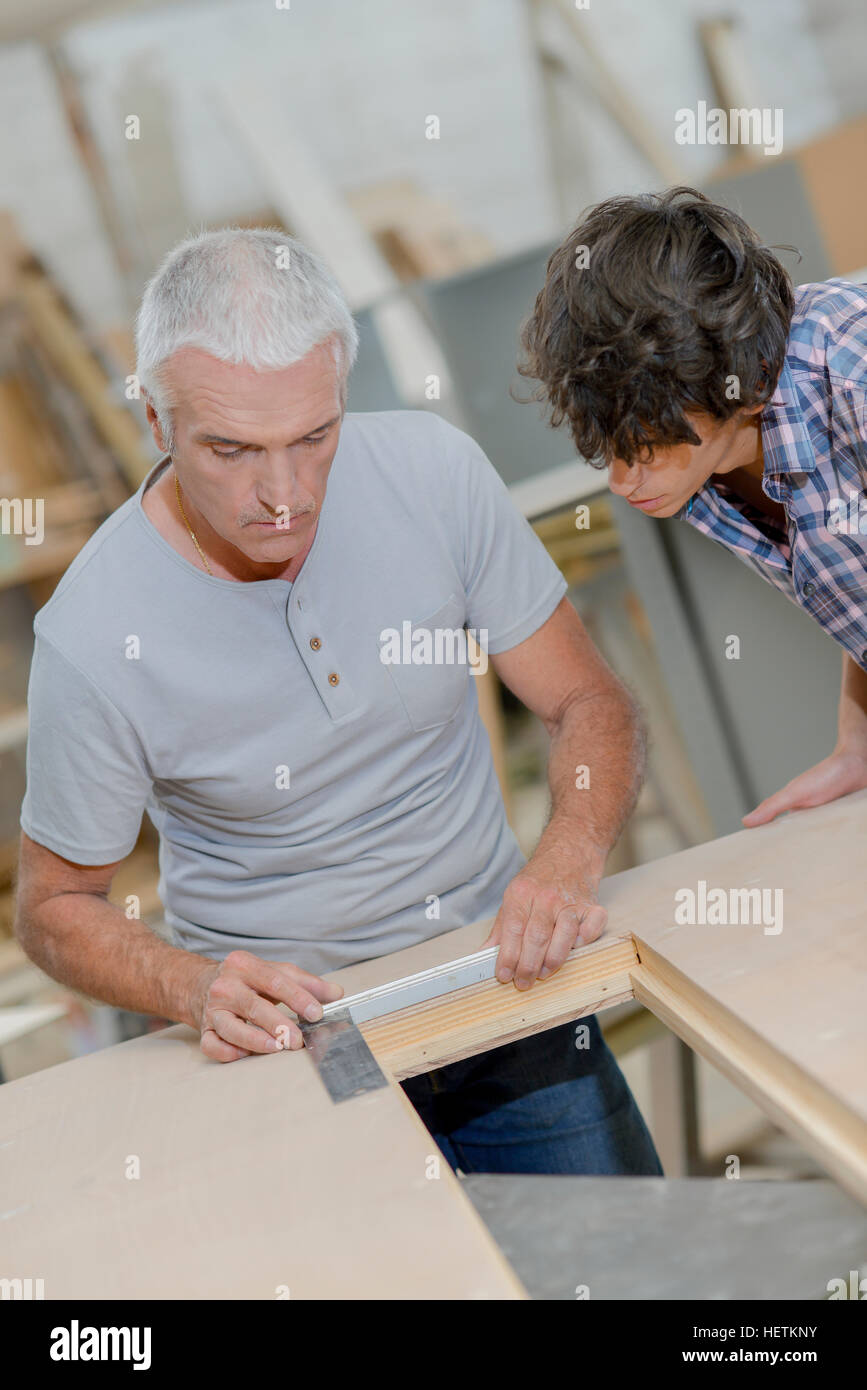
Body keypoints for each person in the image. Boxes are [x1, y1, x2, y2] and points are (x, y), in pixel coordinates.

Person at [15, 227, 661, 1177]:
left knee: (628, 1275)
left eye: (313, 438)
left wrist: (566, 856)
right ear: (155, 421)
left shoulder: (434, 475)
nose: (282, 495)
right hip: (295, 1047)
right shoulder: (94, 635)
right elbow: (54, 906)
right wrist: (194, 987)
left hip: (501, 984)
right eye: (231, 450)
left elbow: (587, 702)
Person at [519, 186, 867, 827]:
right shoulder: (705, 469)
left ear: (749, 380)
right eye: (608, 447)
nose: (623, 481)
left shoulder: (853, 368)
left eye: (646, 444)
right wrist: (857, 743)